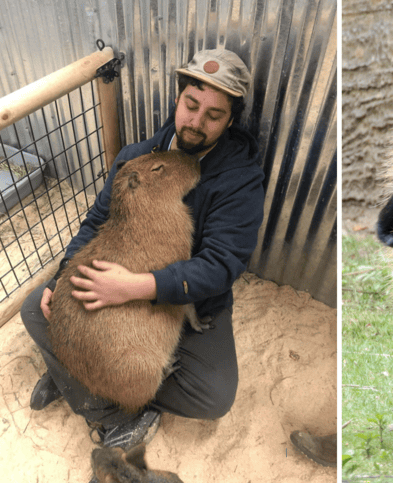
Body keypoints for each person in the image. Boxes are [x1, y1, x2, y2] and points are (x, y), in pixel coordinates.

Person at [21, 48, 265, 451]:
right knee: (34, 307)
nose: (197, 122)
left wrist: (135, 287)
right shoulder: (137, 158)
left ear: (230, 120)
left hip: (189, 301)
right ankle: (90, 385)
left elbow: (222, 266)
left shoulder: (240, 180)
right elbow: (97, 222)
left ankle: (83, 380)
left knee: (214, 396)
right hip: (117, 285)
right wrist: (64, 273)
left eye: (214, 115)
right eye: (191, 105)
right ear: (178, 98)